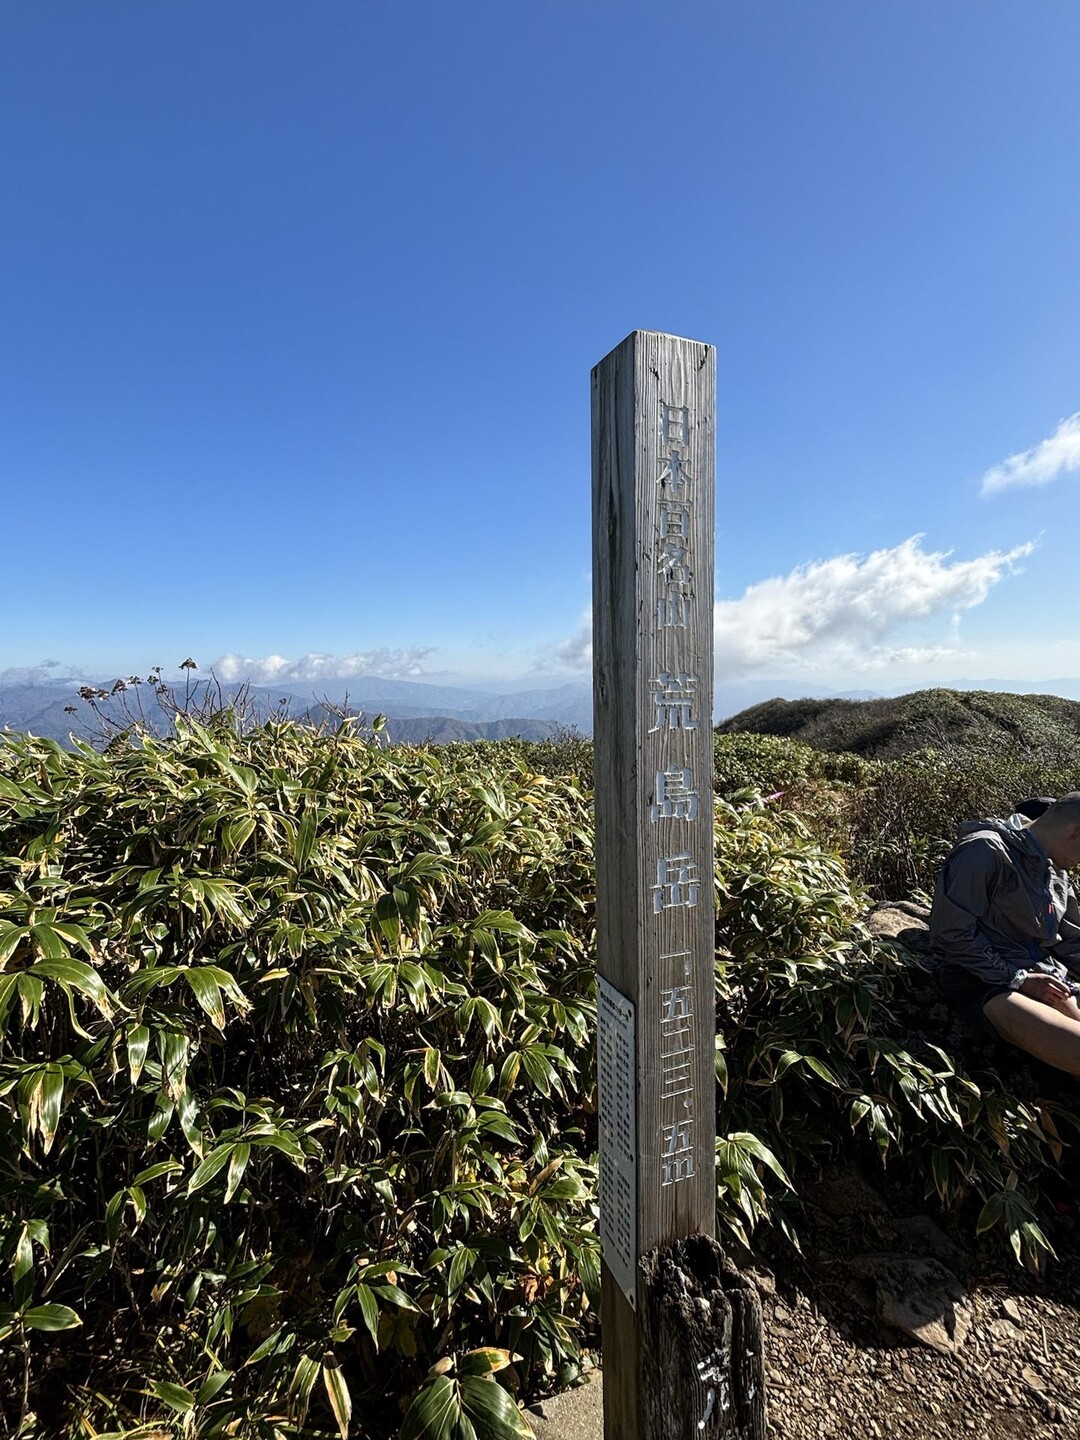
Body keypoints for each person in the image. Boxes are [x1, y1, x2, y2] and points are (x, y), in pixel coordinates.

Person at [929, 793, 1080, 1076]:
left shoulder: (1055, 869)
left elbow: (1072, 940)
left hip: (1045, 978)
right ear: (1075, 833)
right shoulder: (984, 850)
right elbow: (951, 934)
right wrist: (1017, 979)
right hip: (982, 982)